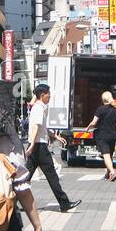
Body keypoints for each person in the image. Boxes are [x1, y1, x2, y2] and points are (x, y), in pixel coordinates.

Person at [25, 84, 80, 212]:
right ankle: (64, 203)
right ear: (42, 95)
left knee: (26, 177)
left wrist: (55, 136)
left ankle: (11, 201)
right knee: (51, 176)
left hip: (37, 145)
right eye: (48, 94)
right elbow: (35, 128)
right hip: (38, 146)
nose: (50, 96)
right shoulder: (38, 108)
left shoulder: (40, 108)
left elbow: (43, 127)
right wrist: (33, 144)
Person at [82, 90, 116, 181]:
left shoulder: (100, 110)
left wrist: (87, 128)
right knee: (110, 155)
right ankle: (108, 173)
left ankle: (112, 172)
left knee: (106, 155)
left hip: (102, 135)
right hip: (112, 136)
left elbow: (94, 122)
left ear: (103, 100)